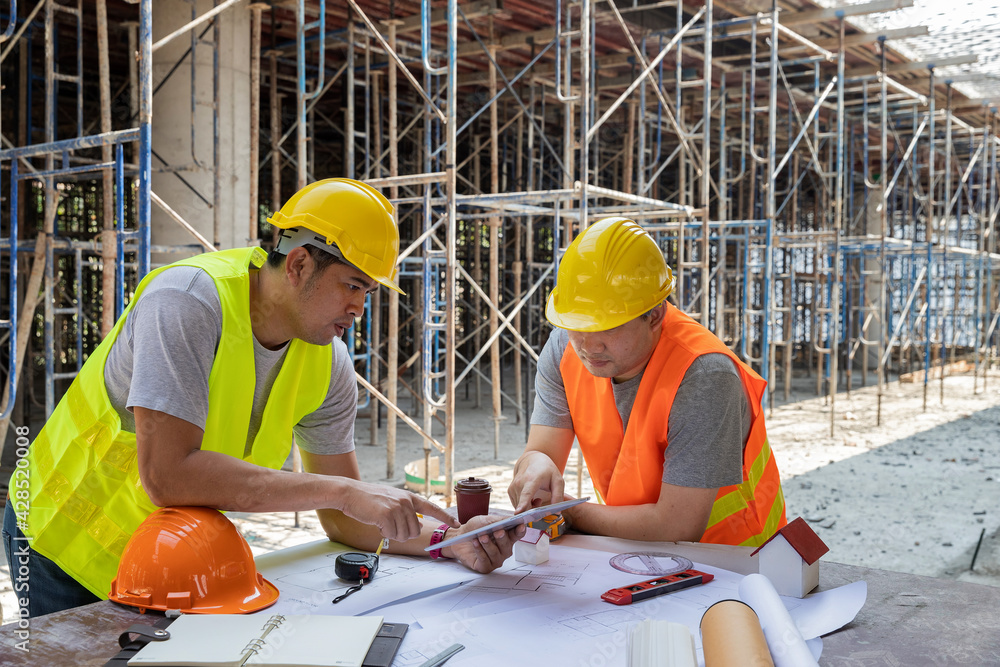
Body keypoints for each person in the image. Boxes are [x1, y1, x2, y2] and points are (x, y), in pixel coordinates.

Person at [4, 178, 522, 618]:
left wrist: (450, 543)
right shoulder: (185, 303)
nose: (359, 308)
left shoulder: (329, 362)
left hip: (168, 561)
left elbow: (344, 518)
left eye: (367, 292)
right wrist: (342, 491)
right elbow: (168, 475)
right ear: (297, 265)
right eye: (351, 286)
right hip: (59, 542)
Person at [508, 217, 785, 546]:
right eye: (578, 324)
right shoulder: (564, 351)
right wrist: (535, 465)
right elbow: (541, 452)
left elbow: (677, 526)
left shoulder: (705, 375)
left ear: (654, 315)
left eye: (608, 326)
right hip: (633, 545)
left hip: (734, 558)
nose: (588, 345)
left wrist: (568, 511)